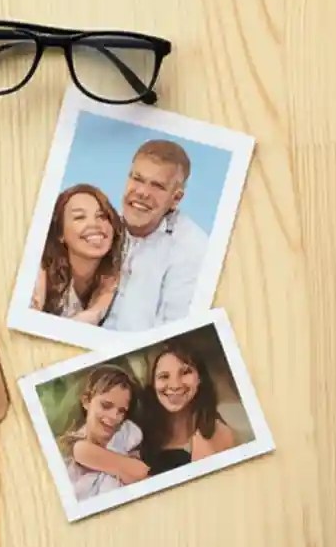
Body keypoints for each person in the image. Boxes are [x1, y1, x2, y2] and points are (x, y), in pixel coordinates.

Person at [102, 139, 209, 332]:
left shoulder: (193, 249)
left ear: (176, 198)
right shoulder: (101, 226)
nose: (142, 192)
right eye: (137, 179)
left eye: (157, 186)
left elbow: (175, 333)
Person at [31, 183, 126, 326]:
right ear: (60, 234)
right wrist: (96, 310)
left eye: (102, 216)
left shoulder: (119, 275)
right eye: (80, 217)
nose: (94, 224)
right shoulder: (40, 270)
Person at [137, 342, 235, 475]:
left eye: (185, 372)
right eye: (164, 376)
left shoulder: (219, 433)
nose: (175, 385)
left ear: (200, 378)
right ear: (153, 384)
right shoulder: (137, 433)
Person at [57, 364, 149, 500]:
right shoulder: (80, 447)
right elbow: (140, 472)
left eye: (121, 411)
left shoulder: (126, 436)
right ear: (86, 402)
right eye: (106, 406)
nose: (114, 416)